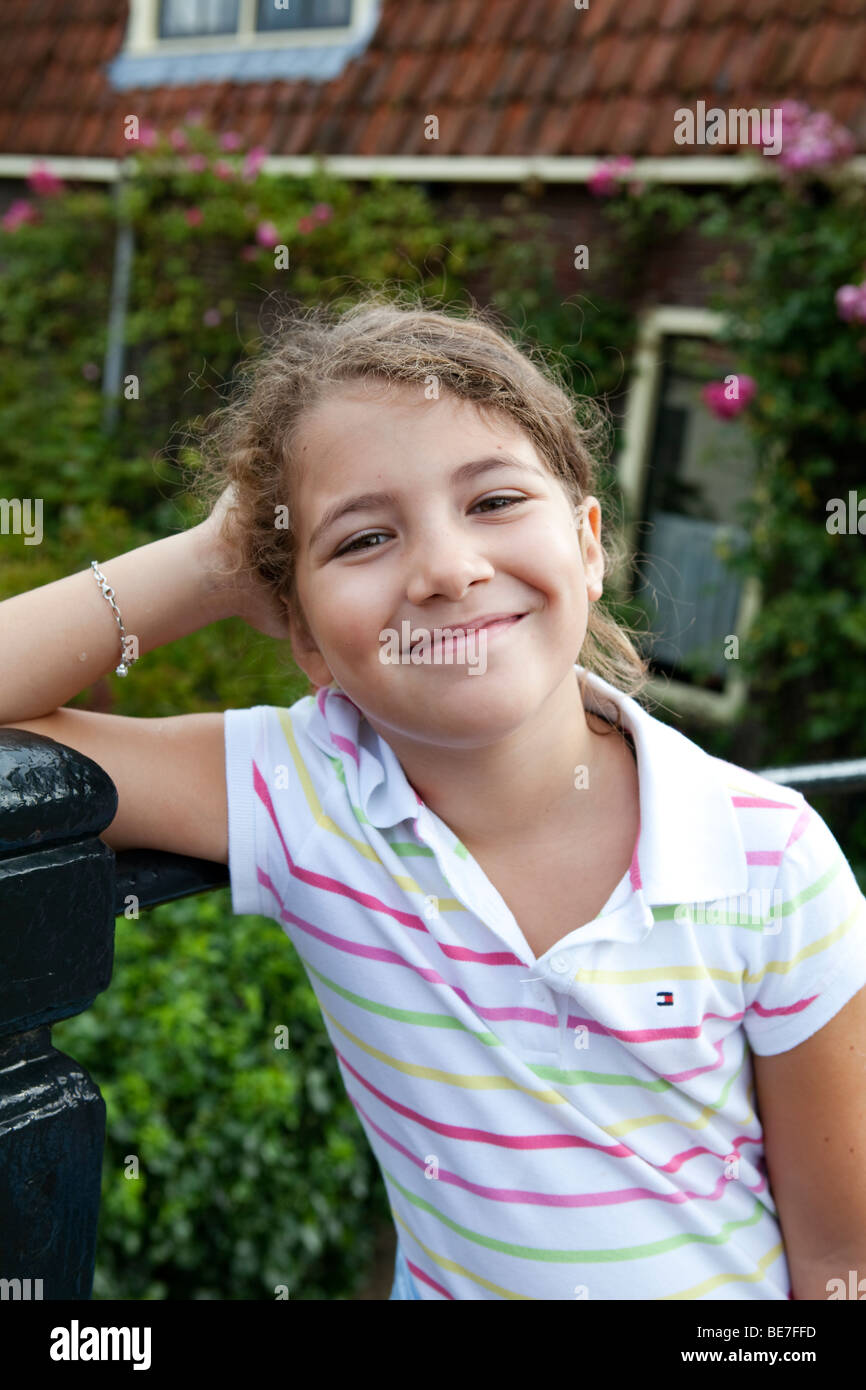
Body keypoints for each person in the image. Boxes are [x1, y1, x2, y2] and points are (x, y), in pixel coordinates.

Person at [2, 292, 865, 1302]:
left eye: (494, 501)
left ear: (588, 547)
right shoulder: (307, 790)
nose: (447, 571)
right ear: (308, 642)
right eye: (362, 540)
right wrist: (208, 561)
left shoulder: (767, 858)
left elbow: (839, 1257)